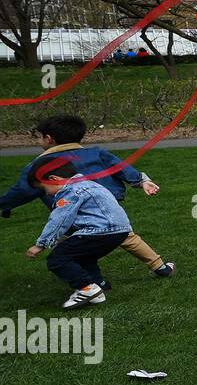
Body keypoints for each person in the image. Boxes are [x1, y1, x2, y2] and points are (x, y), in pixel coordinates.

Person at [0, 115, 174, 278]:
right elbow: (119, 167)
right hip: (107, 204)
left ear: (49, 138)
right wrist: (141, 181)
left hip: (71, 210)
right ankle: (159, 267)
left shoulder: (40, 165)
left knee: (68, 244)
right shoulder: (96, 153)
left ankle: (88, 281)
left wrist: (5, 205)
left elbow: (22, 191)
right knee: (125, 235)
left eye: (40, 137)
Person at [24, 158, 133, 310]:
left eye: (44, 188)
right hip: (120, 231)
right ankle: (99, 285)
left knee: (57, 259)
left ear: (53, 179)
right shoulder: (89, 184)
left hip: (99, 231)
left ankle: (87, 288)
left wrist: (41, 244)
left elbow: (59, 220)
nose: (46, 193)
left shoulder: (69, 192)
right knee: (83, 257)